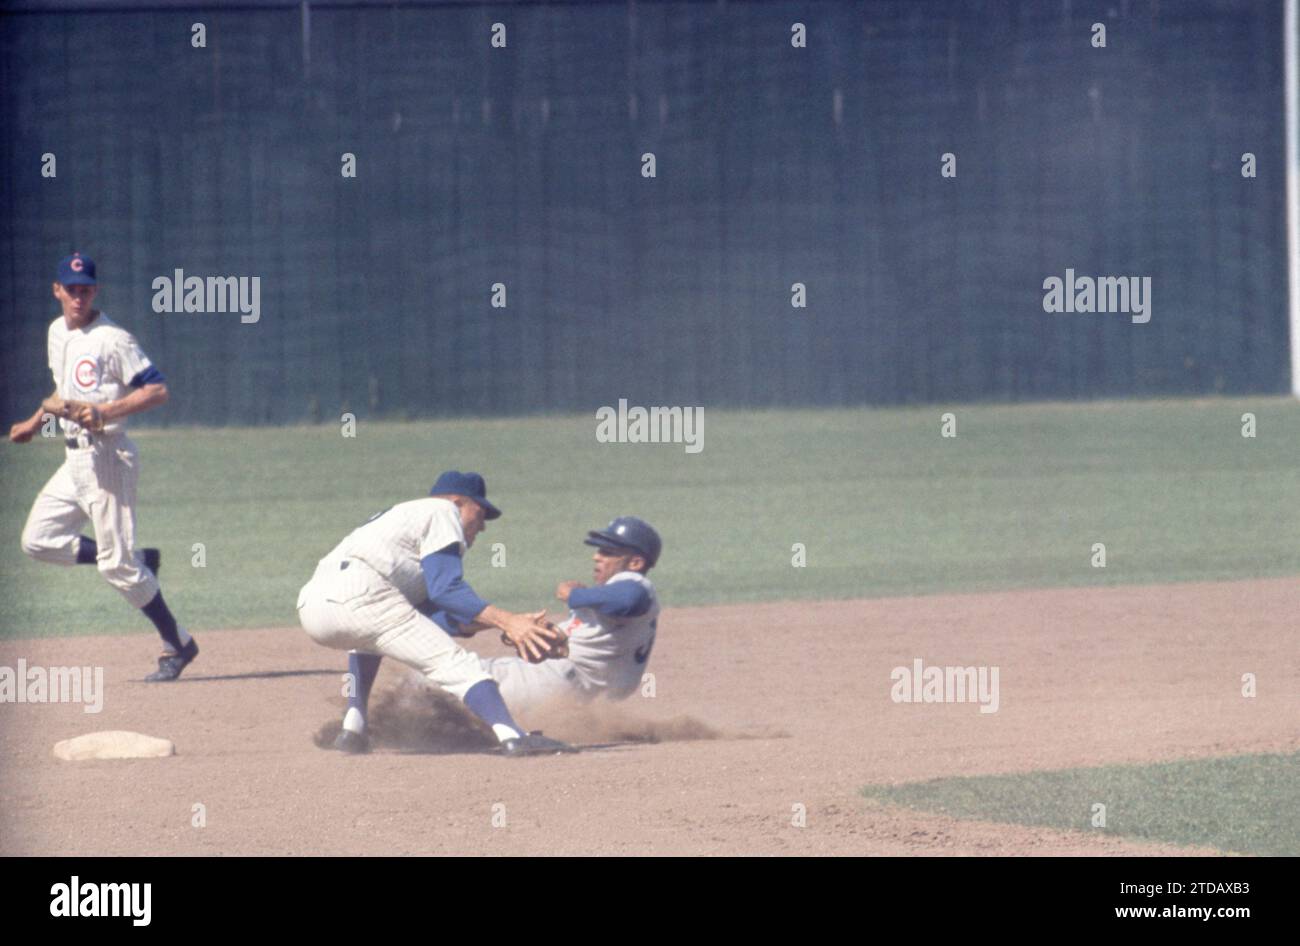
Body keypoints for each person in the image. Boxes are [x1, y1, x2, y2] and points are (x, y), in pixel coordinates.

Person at [9, 253, 196, 682]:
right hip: (74, 459)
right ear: (57, 290)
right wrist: (36, 423)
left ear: (95, 290)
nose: (79, 296)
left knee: (118, 569)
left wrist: (107, 410)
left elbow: (158, 389)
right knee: (38, 540)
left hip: (108, 459)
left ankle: (179, 644)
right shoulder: (57, 332)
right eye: (71, 288)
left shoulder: (113, 339)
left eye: (86, 288)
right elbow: (63, 391)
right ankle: (138, 559)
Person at [297, 470, 576, 756]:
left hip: (314, 606)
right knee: (457, 664)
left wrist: (507, 626)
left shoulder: (402, 527)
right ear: (457, 502)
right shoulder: (442, 512)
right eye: (479, 514)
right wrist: (509, 622)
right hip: (364, 595)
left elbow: (437, 616)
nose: (482, 528)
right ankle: (513, 736)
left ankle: (353, 728)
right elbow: (447, 590)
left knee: (369, 636)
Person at [473, 516, 662, 718]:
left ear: (635, 562)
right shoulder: (611, 604)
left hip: (552, 679)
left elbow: (629, 599)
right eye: (598, 550)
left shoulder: (635, 584)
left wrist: (574, 595)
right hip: (568, 689)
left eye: (607, 552)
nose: (596, 557)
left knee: (455, 674)